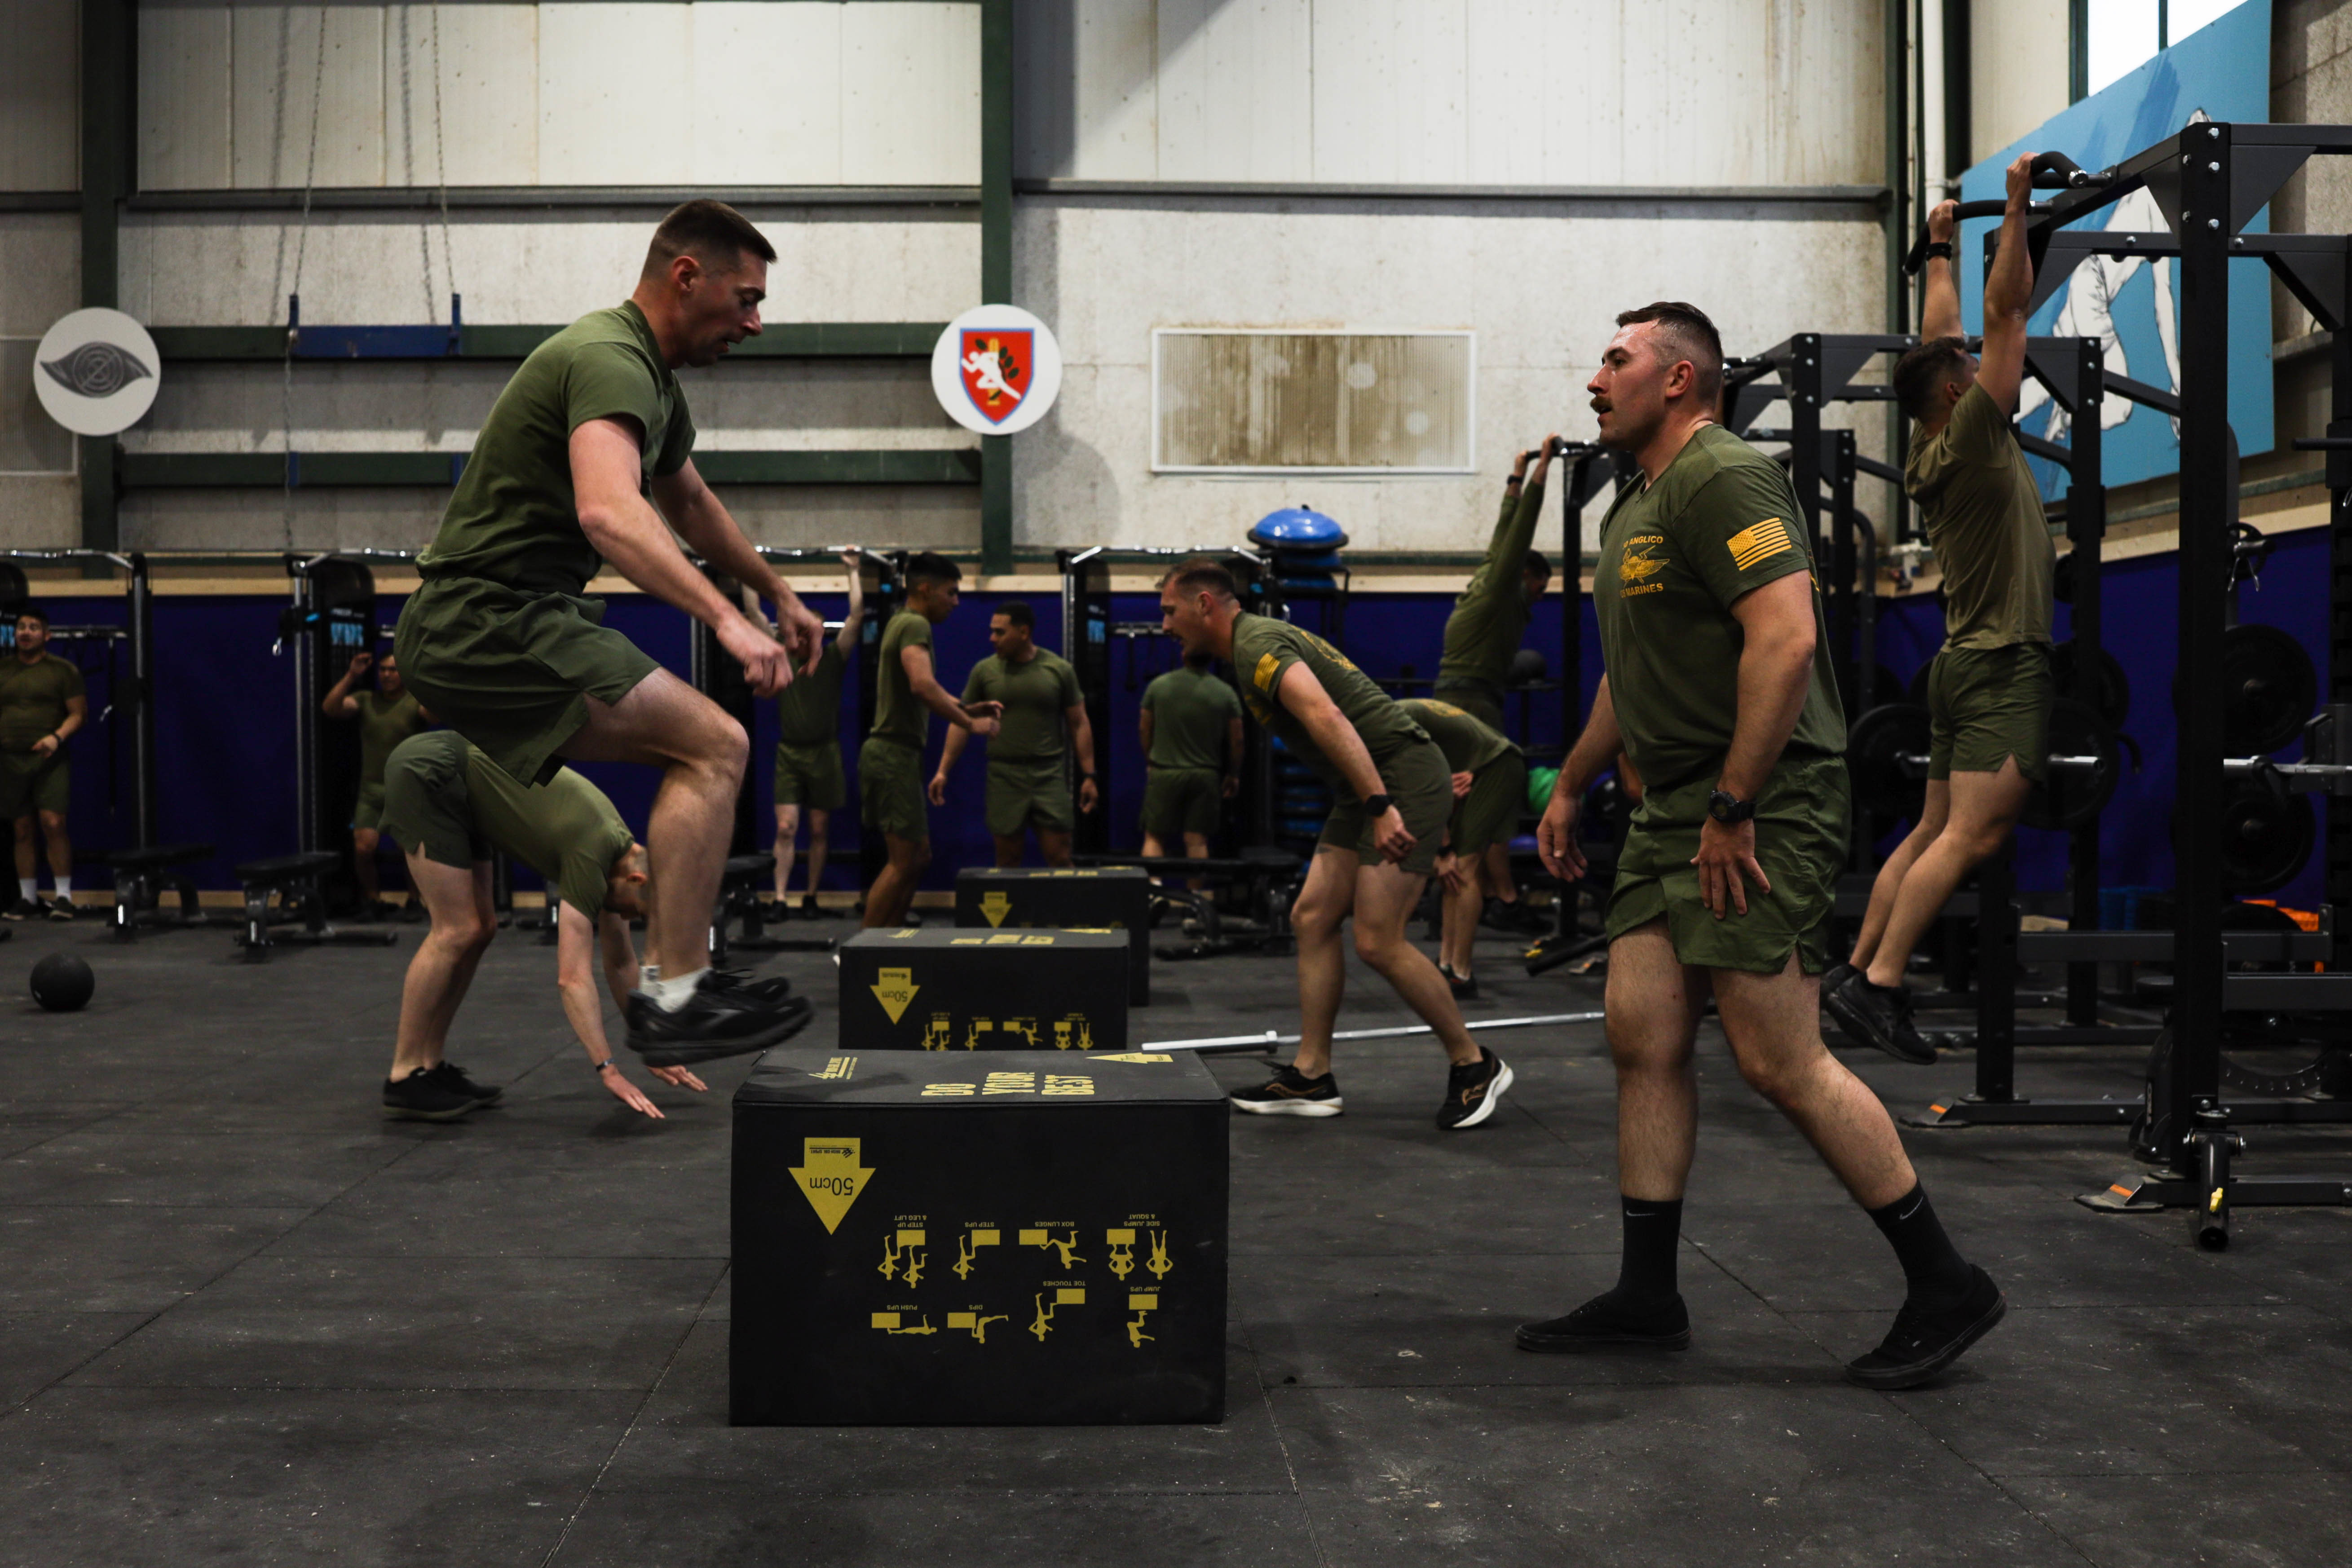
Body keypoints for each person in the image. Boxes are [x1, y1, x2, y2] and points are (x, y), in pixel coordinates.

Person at [1523, 301, 2002, 1391]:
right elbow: (1629, 670)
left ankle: (1947, 1279)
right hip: (1673, 808)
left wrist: (1735, 804)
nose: (1594, 378)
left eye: (1616, 359)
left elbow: (1785, 640)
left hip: (1760, 799)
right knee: (1641, 1033)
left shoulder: (1724, 477)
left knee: (1778, 1058)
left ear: (1681, 379)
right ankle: (1649, 1292)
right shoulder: (1634, 502)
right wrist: (1576, 783)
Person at [392, 199, 826, 1063]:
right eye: (744, 299)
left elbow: (689, 502)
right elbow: (608, 512)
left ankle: (680, 983)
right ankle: (675, 993)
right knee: (714, 744)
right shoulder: (606, 357)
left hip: (520, 615)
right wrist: (727, 624)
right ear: (685, 276)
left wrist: (774, 590)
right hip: (480, 620)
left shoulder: (653, 381)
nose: (756, 322)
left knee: (711, 747)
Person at [1826, 153, 2055, 1066]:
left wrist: (1936, 248)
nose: (1976, 360)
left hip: (1962, 662)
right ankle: (1880, 984)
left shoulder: (1932, 441)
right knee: (1972, 832)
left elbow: (1945, 337)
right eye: (1967, 369)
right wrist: (2012, 207)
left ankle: (1853, 971)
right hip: (2001, 663)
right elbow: (2003, 316)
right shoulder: (1974, 427)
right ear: (1960, 396)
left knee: (1929, 827)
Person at [1160, 561, 1513, 1130]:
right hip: (1369, 783)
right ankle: (1312, 1074)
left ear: (1204, 604)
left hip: (1393, 778)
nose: (1164, 625)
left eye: (1168, 611)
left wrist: (1379, 806)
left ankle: (1474, 1064)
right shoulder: (1251, 646)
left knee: (1377, 939)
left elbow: (1325, 715)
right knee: (1312, 915)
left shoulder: (1256, 645)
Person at [375, 730, 752, 1120]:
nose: (627, 919)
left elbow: (621, 963)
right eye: (637, 913)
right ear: (638, 882)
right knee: (455, 930)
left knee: (481, 927)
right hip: (432, 771)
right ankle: (404, 1075)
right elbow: (571, 977)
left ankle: (431, 1067)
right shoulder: (593, 853)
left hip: (468, 793)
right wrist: (608, 1069)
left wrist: (651, 1042)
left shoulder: (622, 857)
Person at [1435, 442, 1558, 935]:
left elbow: (1503, 532)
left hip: (1455, 699)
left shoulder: (1485, 578)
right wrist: (1543, 470)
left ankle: (1482, 893)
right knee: (1499, 800)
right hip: (1472, 705)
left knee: (1466, 799)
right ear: (1524, 575)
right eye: (1539, 587)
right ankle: (1504, 897)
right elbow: (1520, 529)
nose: (1537, 598)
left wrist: (1514, 471)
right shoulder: (1502, 584)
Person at [860, 553, 1001, 929]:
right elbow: (922, 685)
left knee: (918, 857)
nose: (956, 602)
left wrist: (968, 709)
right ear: (926, 589)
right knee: (903, 861)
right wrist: (969, 725)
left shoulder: (904, 622)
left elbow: (928, 687)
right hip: (892, 754)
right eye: (951, 593)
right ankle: (863, 951)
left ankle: (886, 941)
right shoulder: (914, 624)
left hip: (899, 755)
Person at [931, 600, 1096, 868]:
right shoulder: (985, 671)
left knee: (1060, 856)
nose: (992, 638)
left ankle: (1065, 911)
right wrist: (943, 771)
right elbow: (961, 720)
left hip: (1048, 774)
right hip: (1004, 775)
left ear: (1024, 633)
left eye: (1000, 632)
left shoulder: (1058, 669)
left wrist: (1089, 775)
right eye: (992, 631)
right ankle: (1011, 912)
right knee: (1008, 859)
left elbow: (1079, 723)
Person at [1397, 698, 1527, 999]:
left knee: (1462, 866)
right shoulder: (1396, 713)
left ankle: (1462, 972)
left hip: (1499, 766)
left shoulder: (1396, 725)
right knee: (1452, 870)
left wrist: (1442, 851)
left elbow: (1426, 791)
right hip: (1483, 765)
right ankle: (1445, 963)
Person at [772, 553, 865, 914]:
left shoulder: (834, 658)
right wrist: (747, 576)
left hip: (825, 751)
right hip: (790, 752)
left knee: (818, 829)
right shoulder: (782, 654)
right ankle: (780, 898)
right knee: (785, 827)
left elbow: (856, 616)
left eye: (818, 630)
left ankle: (810, 895)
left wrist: (852, 570)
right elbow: (754, 618)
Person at [322, 649, 428, 915]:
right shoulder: (367, 699)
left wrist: (421, 681)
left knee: (409, 849)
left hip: (406, 789)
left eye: (393, 670)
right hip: (371, 790)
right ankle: (373, 899)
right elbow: (330, 708)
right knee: (363, 848)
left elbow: (435, 716)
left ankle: (415, 900)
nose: (387, 675)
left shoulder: (414, 702)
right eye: (383, 670)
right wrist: (352, 675)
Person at [0, 605, 85, 921]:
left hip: (49, 759)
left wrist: (56, 738)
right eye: (21, 627)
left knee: (53, 823)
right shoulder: (3, 670)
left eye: (33, 627)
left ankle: (63, 898)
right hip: (9, 760)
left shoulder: (63, 671)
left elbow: (79, 714)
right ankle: (27, 898)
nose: (25, 632)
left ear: (46, 635)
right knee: (21, 828)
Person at [1138, 652, 1244, 879]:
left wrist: (1150, 760)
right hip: (1205, 776)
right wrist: (1233, 774)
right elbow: (1237, 740)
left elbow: (1145, 729)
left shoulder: (1158, 687)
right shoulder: (1225, 693)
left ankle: (1154, 893)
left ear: (1183, 655)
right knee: (1197, 840)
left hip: (1164, 772)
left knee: (1154, 836)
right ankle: (1195, 906)